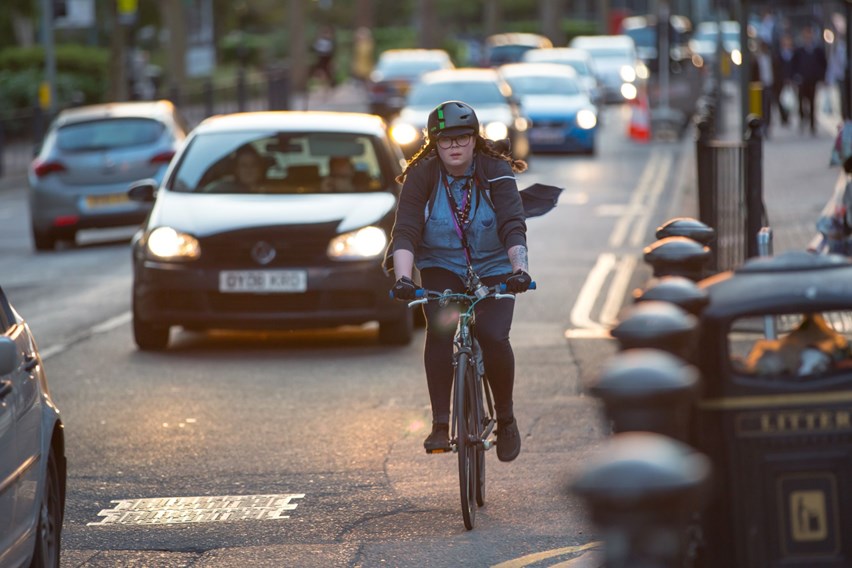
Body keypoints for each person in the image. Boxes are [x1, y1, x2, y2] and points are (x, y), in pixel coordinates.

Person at [385, 100, 533, 462]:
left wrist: (519, 270)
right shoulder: (422, 173)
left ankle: (507, 418)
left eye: (462, 138)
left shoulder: (495, 169)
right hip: (441, 264)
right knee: (440, 329)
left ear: (474, 139)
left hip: (495, 265)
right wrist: (404, 279)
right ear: (434, 143)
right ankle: (440, 422)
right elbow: (405, 231)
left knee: (494, 335)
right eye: (445, 140)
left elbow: (513, 224)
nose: (454, 146)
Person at [791, 25, 828, 135]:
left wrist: (822, 77)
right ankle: (802, 120)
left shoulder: (817, 50)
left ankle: (812, 124)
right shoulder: (799, 50)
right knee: (801, 102)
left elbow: (823, 64)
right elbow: (794, 64)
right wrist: (794, 76)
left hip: (813, 80)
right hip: (801, 80)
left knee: (812, 102)